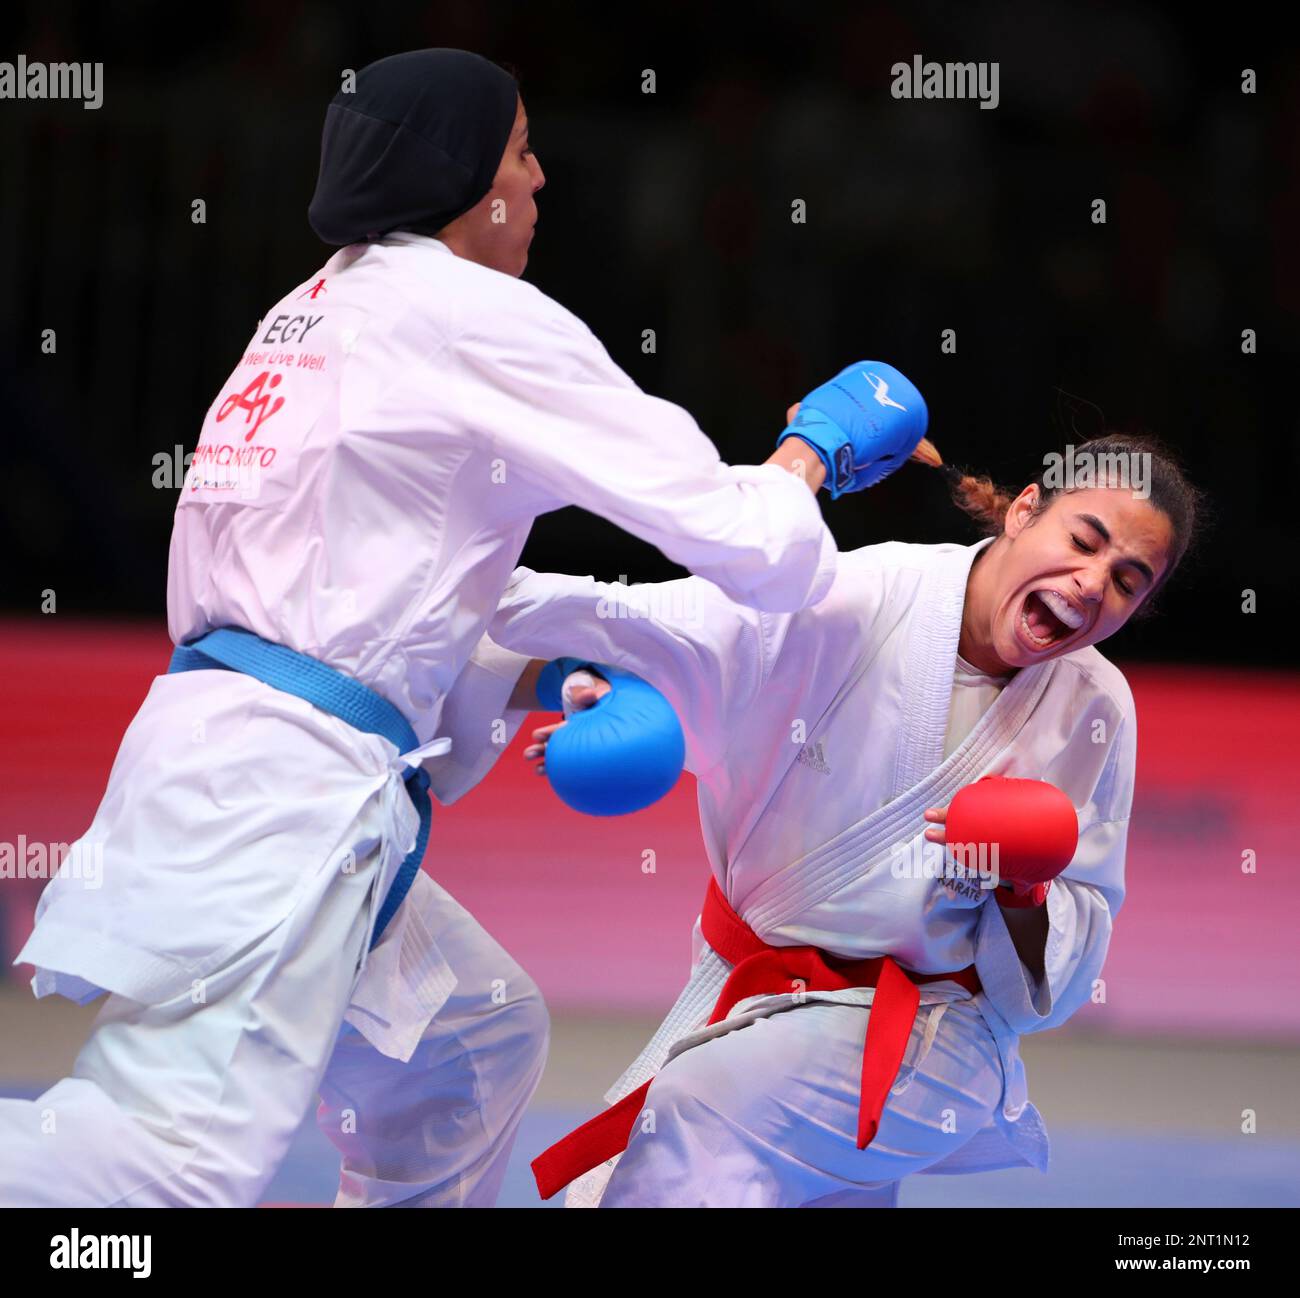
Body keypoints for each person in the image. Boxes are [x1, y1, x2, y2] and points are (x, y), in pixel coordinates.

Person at [0, 48, 921, 1208]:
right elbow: (758, 549)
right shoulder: (471, 313)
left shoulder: (311, 311)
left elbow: (373, 596)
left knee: (469, 1048)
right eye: (522, 153)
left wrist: (545, 664)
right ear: (464, 181)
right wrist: (814, 451)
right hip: (280, 806)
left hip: (240, 766)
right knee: (157, 1172)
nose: (539, 181)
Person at [476, 432, 1205, 1206]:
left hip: (934, 1034)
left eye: (1127, 582)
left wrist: (1022, 894)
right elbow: (669, 630)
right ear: (1025, 511)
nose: (1092, 584)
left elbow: (1059, 976)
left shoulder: (1095, 710)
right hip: (761, 1003)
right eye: (1083, 541)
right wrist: (608, 681)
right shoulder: (861, 598)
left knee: (693, 1115)